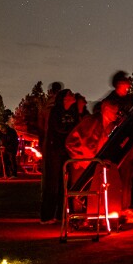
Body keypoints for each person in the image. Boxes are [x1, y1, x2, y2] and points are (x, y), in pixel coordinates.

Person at [102, 71, 133, 221]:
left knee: (127, 176)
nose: (128, 84)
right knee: (114, 177)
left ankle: (125, 207)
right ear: (119, 84)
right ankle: (114, 206)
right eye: (125, 82)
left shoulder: (131, 100)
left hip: (128, 142)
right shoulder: (111, 101)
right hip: (114, 143)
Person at [41, 89, 79, 223]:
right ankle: (47, 215)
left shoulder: (74, 111)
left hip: (67, 151)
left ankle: (61, 214)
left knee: (65, 183)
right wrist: (70, 133)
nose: (72, 95)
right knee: (53, 182)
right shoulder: (56, 112)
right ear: (64, 99)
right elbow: (57, 128)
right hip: (55, 150)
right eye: (69, 94)